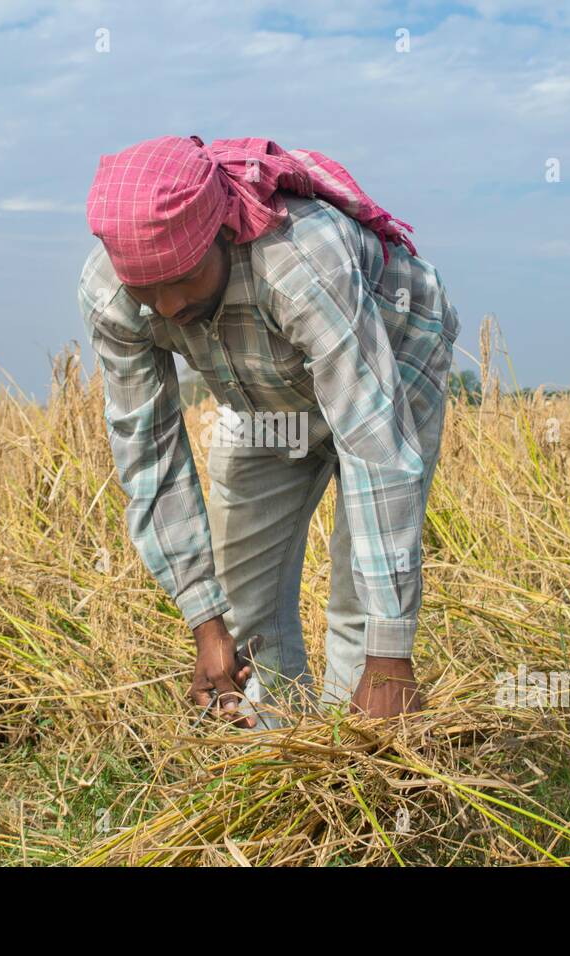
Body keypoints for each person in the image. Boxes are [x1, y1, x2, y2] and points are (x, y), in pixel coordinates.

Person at [77, 134, 460, 729]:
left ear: (221, 234)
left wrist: (390, 659)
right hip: (264, 399)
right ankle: (281, 752)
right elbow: (149, 455)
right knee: (242, 597)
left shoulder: (299, 260)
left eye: (183, 276)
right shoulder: (113, 297)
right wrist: (205, 622)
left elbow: (374, 446)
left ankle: (359, 758)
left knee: (360, 597)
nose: (169, 304)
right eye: (146, 289)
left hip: (391, 358)